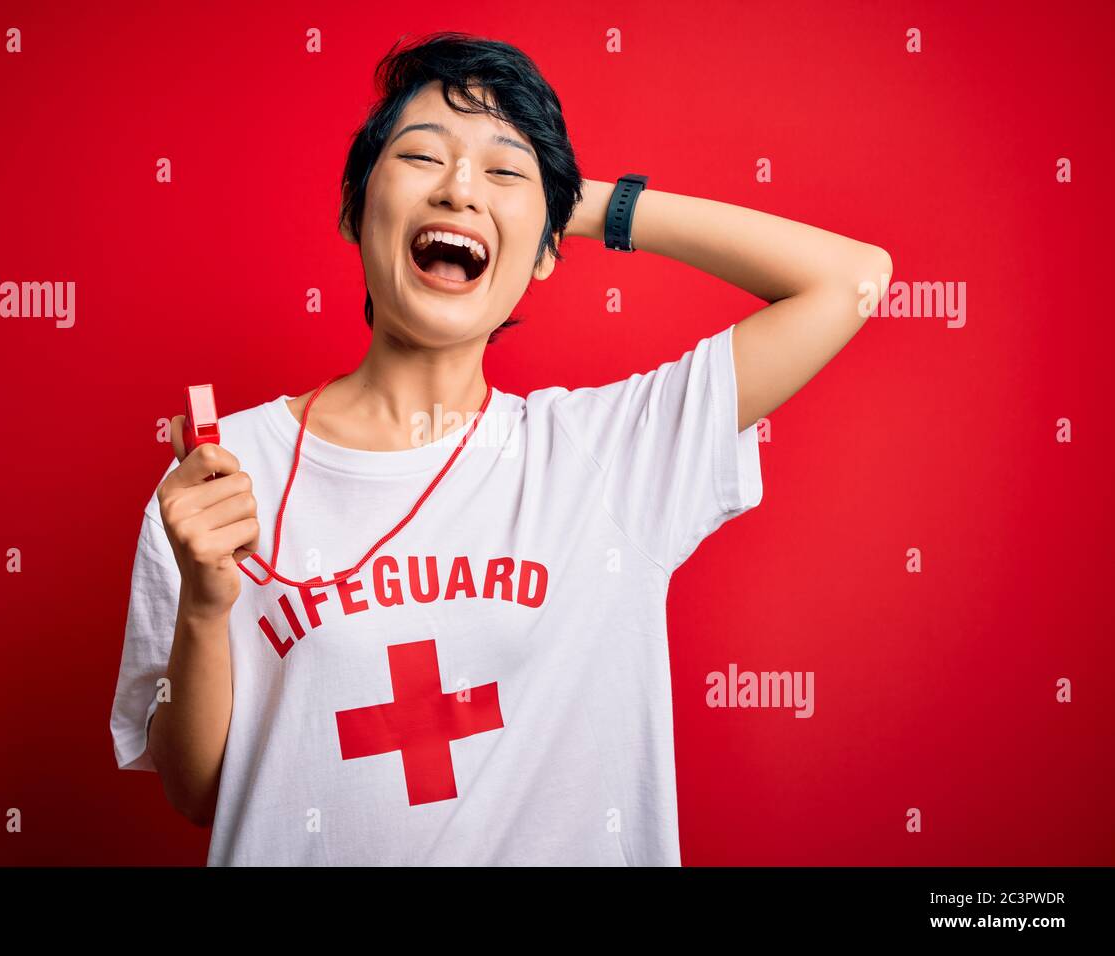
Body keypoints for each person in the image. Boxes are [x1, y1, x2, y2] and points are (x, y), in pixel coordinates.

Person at [109, 32, 891, 866]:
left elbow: (851, 278)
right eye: (421, 157)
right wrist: (203, 606)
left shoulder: (604, 457)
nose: (459, 189)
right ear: (353, 210)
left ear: (549, 247)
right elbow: (198, 793)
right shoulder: (220, 475)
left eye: (502, 171)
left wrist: (571, 203)